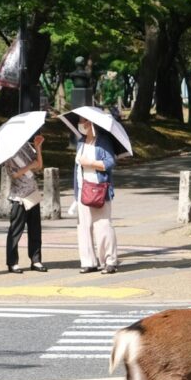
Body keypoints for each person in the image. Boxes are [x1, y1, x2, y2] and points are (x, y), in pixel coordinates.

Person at [73, 116, 118, 274]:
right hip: (83, 188)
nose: (81, 124)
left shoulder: (103, 140)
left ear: (91, 123)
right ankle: (88, 262)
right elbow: (77, 168)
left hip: (99, 188)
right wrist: (75, 193)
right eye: (80, 120)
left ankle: (109, 260)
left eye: (84, 120)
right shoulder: (81, 142)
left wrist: (90, 163)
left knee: (103, 225)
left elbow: (110, 162)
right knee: (83, 227)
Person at [5, 134, 47, 274]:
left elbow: (39, 165)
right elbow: (13, 174)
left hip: (32, 193)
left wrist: (38, 148)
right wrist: (30, 166)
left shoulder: (26, 147)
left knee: (35, 229)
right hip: (19, 196)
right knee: (16, 230)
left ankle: (36, 260)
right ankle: (12, 262)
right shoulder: (8, 152)